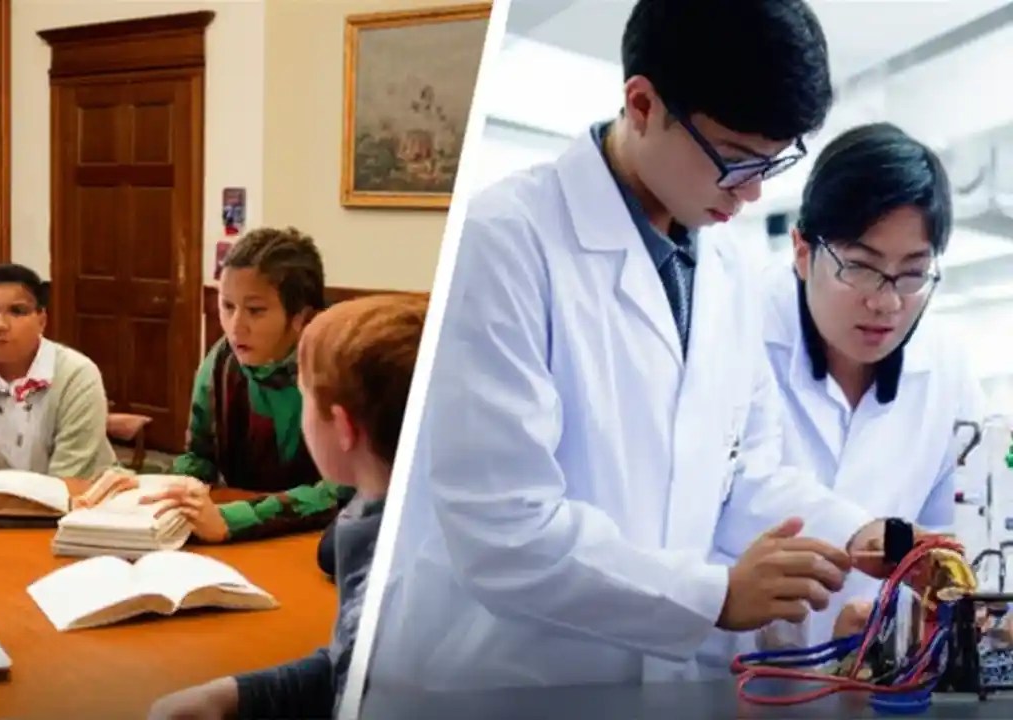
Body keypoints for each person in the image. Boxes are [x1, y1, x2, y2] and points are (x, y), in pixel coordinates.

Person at [362, 0, 931, 694]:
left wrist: (861, 532)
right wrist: (714, 596)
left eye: (773, 163)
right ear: (641, 103)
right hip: (493, 682)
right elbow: (503, 530)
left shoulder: (722, 264)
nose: (751, 192)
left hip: (647, 689)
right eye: (734, 159)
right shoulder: (504, 242)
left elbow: (744, 471)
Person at [723, 123, 984, 651]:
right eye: (861, 268)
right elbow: (731, 492)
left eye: (912, 274)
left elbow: (957, 543)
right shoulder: (731, 327)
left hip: (876, 672)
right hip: (722, 672)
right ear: (802, 249)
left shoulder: (947, 369)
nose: (886, 302)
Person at [147, 293, 428, 720]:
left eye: (306, 398)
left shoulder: (402, 576)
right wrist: (233, 695)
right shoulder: (388, 522)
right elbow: (351, 668)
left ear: (344, 428)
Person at [140, 227, 354, 546]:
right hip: (238, 535)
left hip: (324, 540)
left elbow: (342, 489)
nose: (236, 327)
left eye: (255, 310)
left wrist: (236, 518)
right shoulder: (222, 362)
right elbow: (200, 457)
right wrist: (156, 489)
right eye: (227, 306)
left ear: (302, 317)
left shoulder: (341, 371)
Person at [0, 264, 117, 482]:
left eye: (17, 311)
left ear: (42, 320)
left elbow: (70, 478)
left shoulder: (76, 375)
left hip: (81, 503)